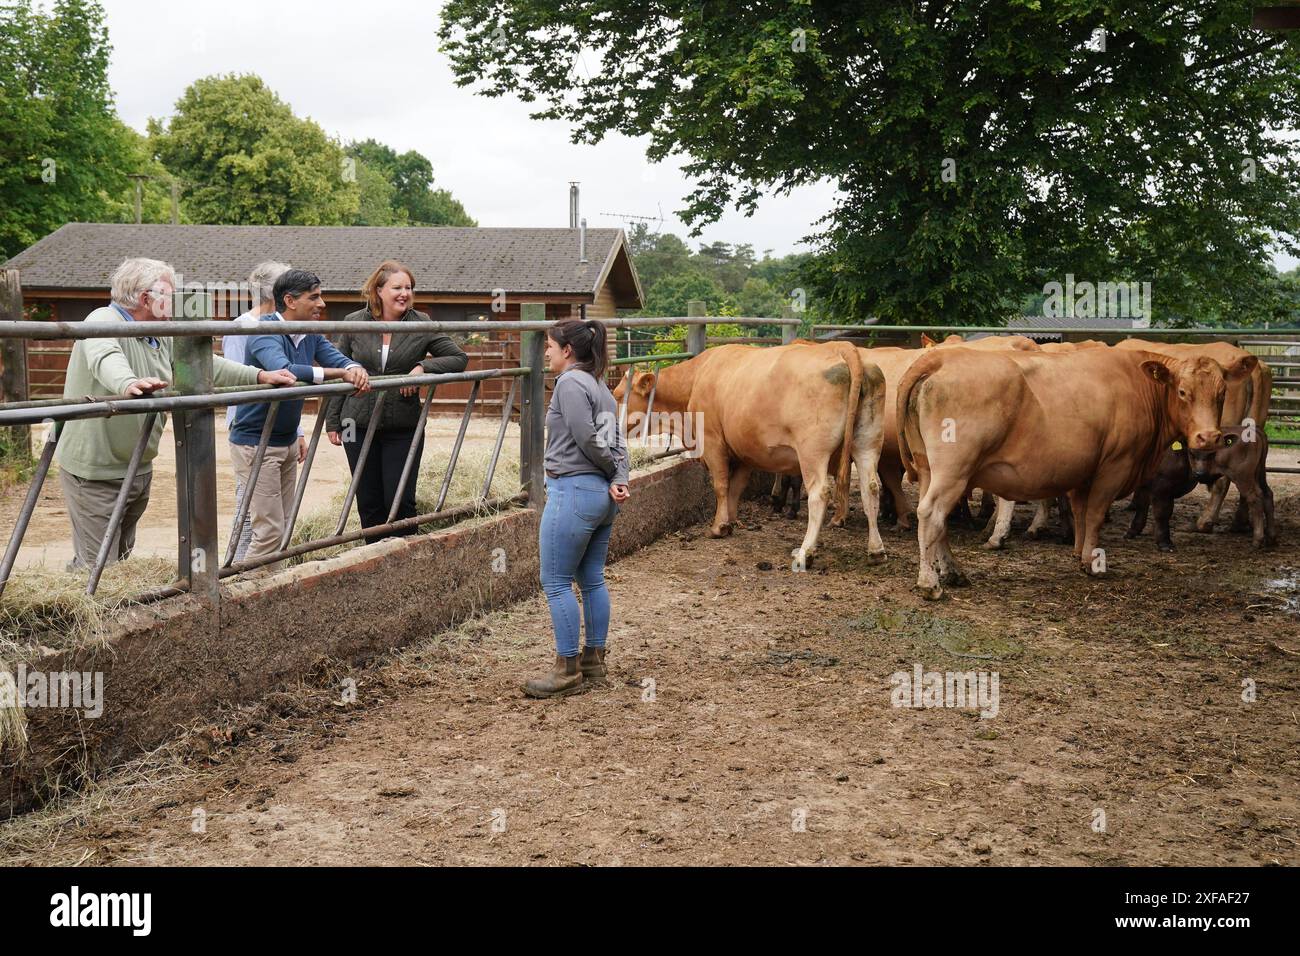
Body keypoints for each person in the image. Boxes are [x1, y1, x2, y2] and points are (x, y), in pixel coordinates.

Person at [56, 257, 297, 572]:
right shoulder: (102, 320)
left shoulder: (160, 334)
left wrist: (259, 376)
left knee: (120, 557)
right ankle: (86, 613)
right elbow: (105, 356)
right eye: (169, 295)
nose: (176, 302)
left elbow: (207, 365)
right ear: (146, 299)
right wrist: (128, 383)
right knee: (98, 564)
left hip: (137, 463)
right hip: (96, 470)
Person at [230, 269, 371, 566]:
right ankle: (247, 592)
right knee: (268, 530)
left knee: (281, 526)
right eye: (314, 297)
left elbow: (337, 359)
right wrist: (341, 373)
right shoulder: (263, 331)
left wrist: (354, 367)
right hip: (257, 441)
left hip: (284, 439)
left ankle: (269, 588)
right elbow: (286, 372)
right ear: (290, 300)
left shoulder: (309, 332)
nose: (322, 304)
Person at [522, 318, 630, 699]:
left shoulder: (569, 383)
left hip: (573, 491)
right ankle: (593, 660)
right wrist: (620, 477)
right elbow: (618, 442)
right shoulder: (601, 387)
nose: (546, 352)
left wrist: (610, 470)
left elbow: (587, 438)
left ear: (567, 350)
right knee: (593, 579)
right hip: (602, 497)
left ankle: (566, 669)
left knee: (555, 581)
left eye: (550, 345)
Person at [324, 260, 468, 541]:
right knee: (368, 500)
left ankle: (406, 559)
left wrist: (422, 368)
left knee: (400, 499)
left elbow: (459, 358)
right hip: (357, 422)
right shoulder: (354, 323)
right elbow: (339, 367)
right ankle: (373, 558)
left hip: (401, 424)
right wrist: (332, 420)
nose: (405, 293)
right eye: (397, 287)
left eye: (409, 288)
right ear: (379, 290)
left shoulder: (422, 323)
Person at [222, 260, 300, 563]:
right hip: (251, 429)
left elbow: (293, 382)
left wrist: (299, 431)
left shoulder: (284, 326)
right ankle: (241, 574)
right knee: (251, 510)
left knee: (274, 513)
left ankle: (266, 572)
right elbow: (235, 377)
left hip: (280, 429)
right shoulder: (243, 327)